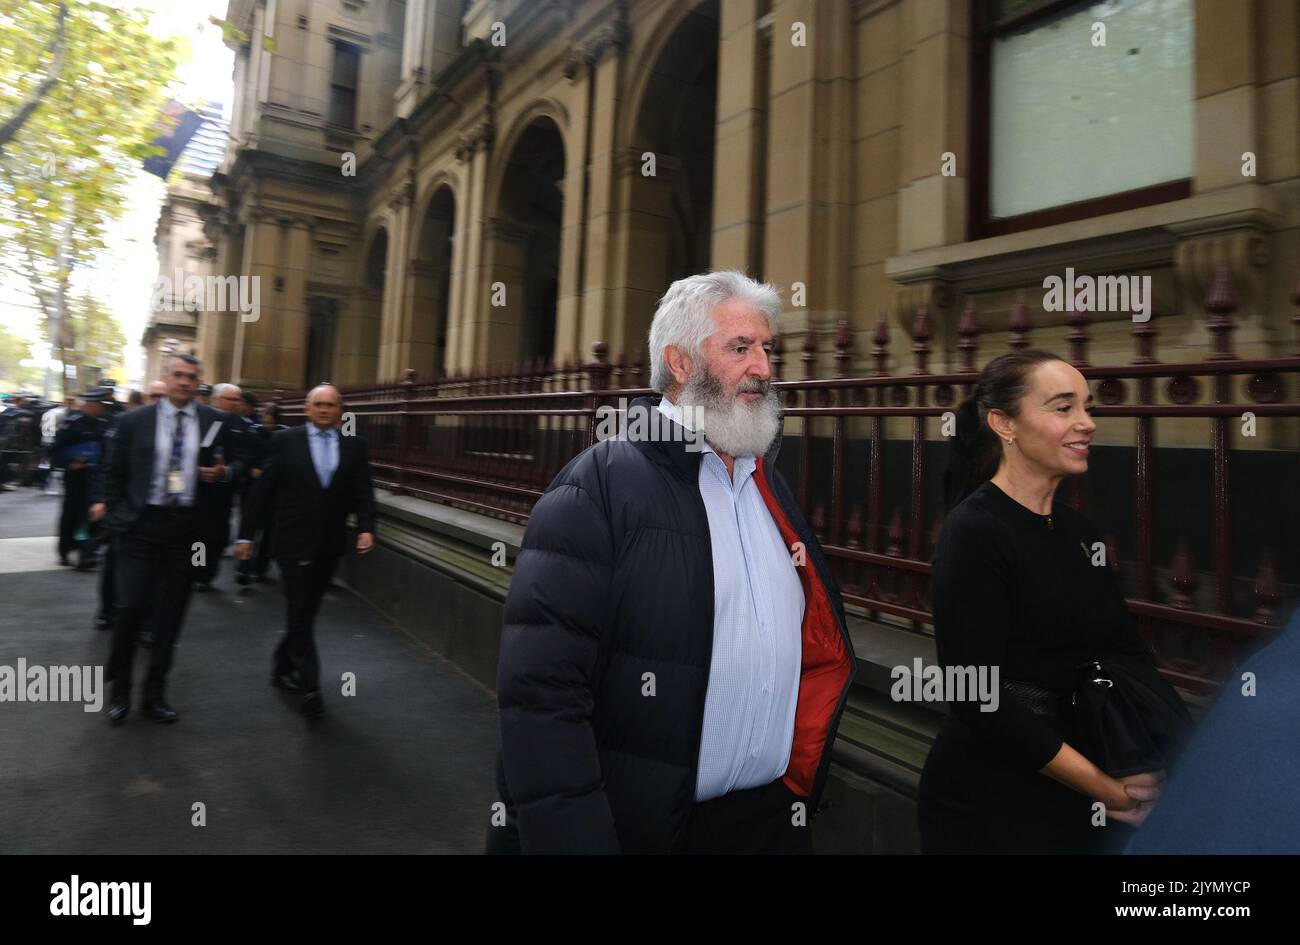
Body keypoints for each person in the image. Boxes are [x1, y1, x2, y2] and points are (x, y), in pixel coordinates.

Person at [486, 271, 856, 855]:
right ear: (679, 364)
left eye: (766, 348)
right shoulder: (599, 486)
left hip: (770, 823)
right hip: (647, 830)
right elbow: (542, 695)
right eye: (741, 348)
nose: (763, 366)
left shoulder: (768, 485)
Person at [918, 350, 1182, 854]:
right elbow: (976, 696)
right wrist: (1108, 791)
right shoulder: (975, 532)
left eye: (1088, 407)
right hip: (992, 802)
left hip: (1087, 782)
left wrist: (1150, 756)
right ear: (1003, 424)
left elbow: (1125, 653)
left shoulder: (1080, 531)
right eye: (1063, 408)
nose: (1086, 424)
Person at [91, 354, 245, 725]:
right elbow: (113, 472)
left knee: (172, 613)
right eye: (177, 375)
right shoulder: (133, 422)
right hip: (141, 527)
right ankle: (121, 691)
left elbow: (243, 463)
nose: (184, 382)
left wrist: (224, 472)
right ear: (166, 378)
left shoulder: (216, 421)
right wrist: (115, 516)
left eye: (192, 377)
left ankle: (154, 693)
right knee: (129, 608)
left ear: (199, 382)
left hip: (188, 533)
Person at [235, 384, 376, 719]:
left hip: (329, 544)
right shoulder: (285, 442)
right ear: (308, 409)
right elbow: (262, 493)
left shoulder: (354, 446)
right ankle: (310, 685)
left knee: (306, 611)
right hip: (290, 541)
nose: (325, 410)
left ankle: (281, 663)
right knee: (299, 607)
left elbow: (363, 491)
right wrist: (245, 537)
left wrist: (368, 527)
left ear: (340, 410)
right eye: (318, 404)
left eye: (331, 405)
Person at [94, 382, 162, 632]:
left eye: (162, 396)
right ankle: (107, 610)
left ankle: (147, 620)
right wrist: (103, 501)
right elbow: (109, 466)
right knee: (114, 565)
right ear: (145, 397)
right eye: (154, 395)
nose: (158, 400)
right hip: (125, 511)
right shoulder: (128, 422)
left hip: (159, 516)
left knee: (156, 573)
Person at [193, 382, 255, 591]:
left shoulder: (244, 427)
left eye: (239, 399)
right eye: (232, 399)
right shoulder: (200, 419)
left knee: (218, 535)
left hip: (223, 491)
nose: (238, 403)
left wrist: (227, 471)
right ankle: (199, 572)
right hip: (197, 489)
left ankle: (208, 571)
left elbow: (244, 458)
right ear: (218, 400)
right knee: (199, 535)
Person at [52, 388, 111, 568]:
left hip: (96, 474)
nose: (102, 409)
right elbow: (55, 449)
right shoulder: (72, 423)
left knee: (89, 514)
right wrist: (70, 464)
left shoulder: (104, 422)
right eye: (99, 405)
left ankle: (85, 551)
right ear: (90, 406)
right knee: (71, 513)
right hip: (76, 476)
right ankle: (65, 550)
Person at [236, 402, 287, 585]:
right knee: (249, 527)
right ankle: (244, 566)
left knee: (268, 531)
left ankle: (259, 568)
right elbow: (243, 456)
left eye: (270, 418)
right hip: (253, 486)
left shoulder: (284, 435)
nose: (267, 421)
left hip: (273, 491)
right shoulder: (253, 433)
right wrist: (250, 470)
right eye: (265, 417)